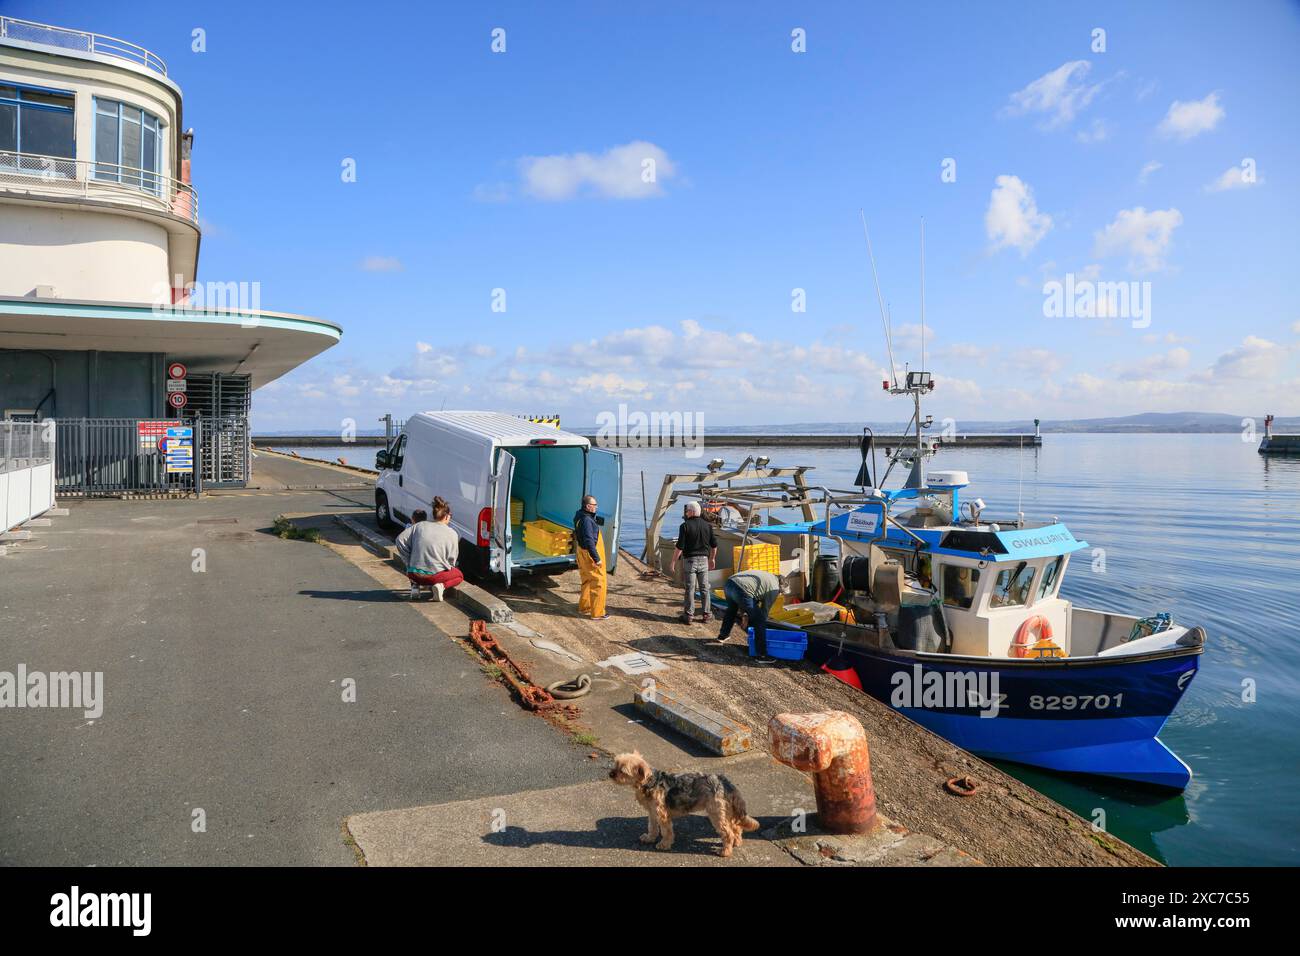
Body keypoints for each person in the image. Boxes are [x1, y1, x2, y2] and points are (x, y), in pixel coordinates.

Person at [396, 496, 463, 600]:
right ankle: (440, 586)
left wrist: (408, 562)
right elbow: (451, 560)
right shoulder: (453, 533)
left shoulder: (420, 525)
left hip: (413, 574)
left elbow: (400, 540)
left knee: (417, 556)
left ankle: (415, 588)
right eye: (450, 515)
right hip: (434, 577)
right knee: (459, 575)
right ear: (446, 516)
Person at [717, 568, 781, 664]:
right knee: (760, 620)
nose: (779, 594)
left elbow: (750, 598)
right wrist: (758, 623)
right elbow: (764, 610)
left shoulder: (767, 576)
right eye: (781, 592)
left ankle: (723, 635)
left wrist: (746, 614)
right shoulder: (774, 588)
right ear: (781, 586)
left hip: (729, 583)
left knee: (731, 610)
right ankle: (761, 654)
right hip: (741, 589)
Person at [670, 500, 717, 624]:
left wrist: (673, 562)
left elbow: (680, 546)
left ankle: (689, 616)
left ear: (691, 511)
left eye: (687, 511)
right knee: (704, 588)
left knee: (690, 589)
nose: (686, 513)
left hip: (690, 561)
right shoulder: (708, 526)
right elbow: (714, 545)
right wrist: (712, 558)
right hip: (704, 561)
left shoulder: (684, 526)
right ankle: (707, 614)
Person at [573, 494, 608, 620]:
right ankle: (598, 613)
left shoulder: (579, 515)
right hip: (589, 554)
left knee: (587, 579)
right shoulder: (587, 520)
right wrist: (596, 558)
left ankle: (585, 607)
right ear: (588, 506)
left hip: (581, 552)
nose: (596, 507)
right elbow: (589, 541)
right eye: (594, 505)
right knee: (599, 582)